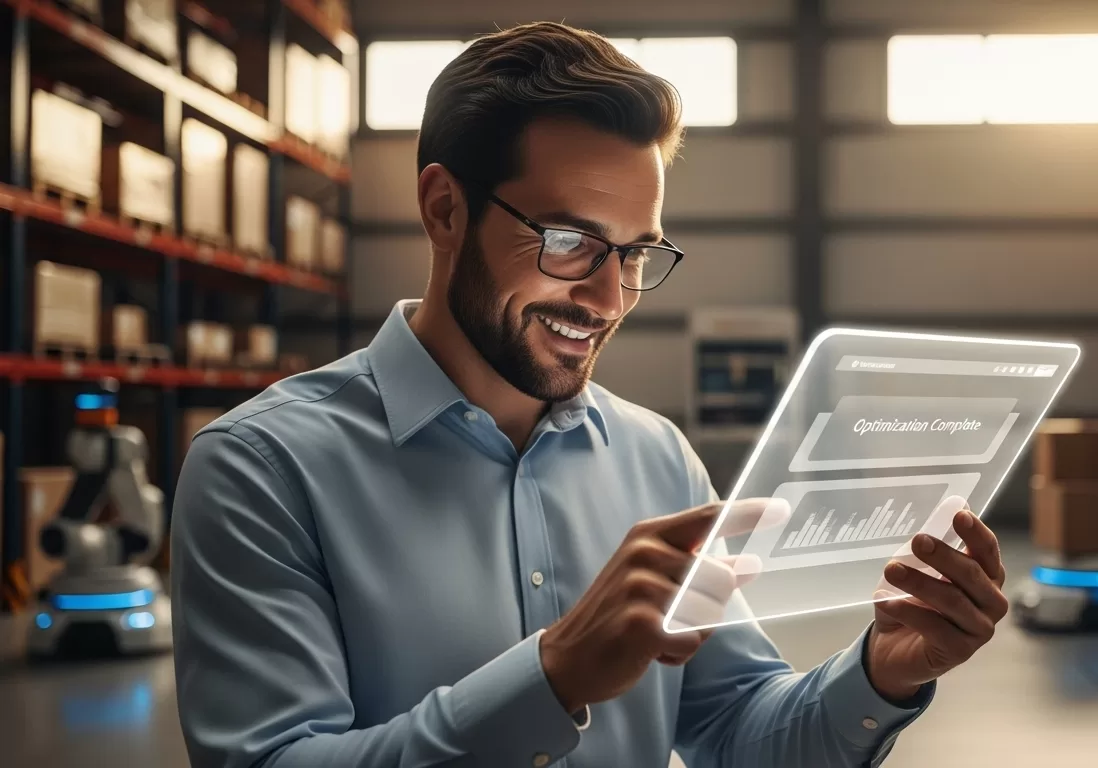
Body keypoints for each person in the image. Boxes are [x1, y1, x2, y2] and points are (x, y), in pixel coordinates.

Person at [170, 21, 1009, 768]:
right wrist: (552, 673)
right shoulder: (263, 470)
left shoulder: (657, 461)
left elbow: (739, 732)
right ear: (443, 209)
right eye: (569, 242)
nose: (608, 299)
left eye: (635, 253)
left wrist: (881, 674)